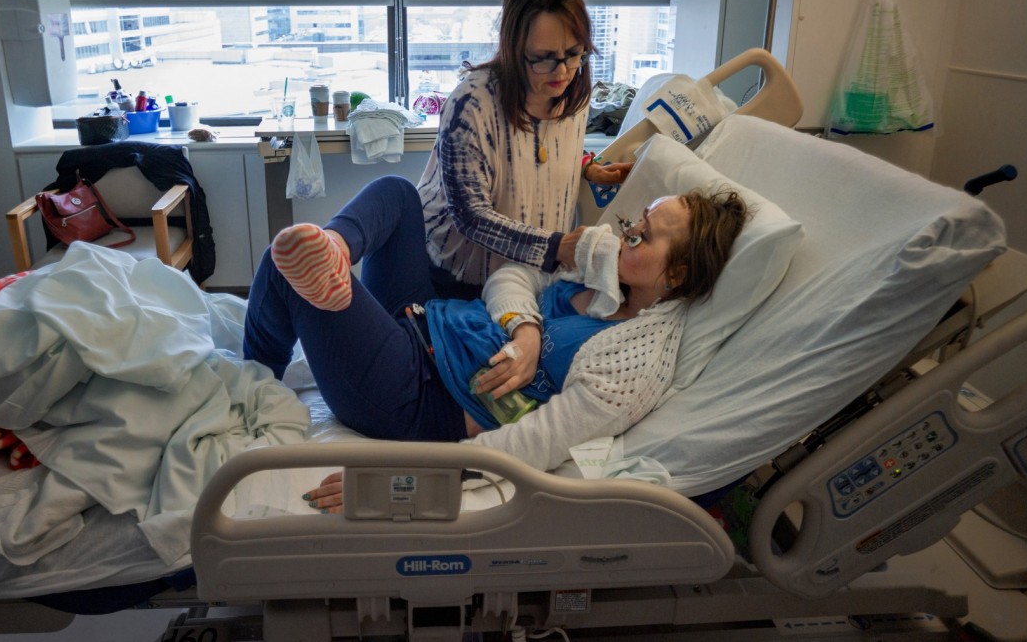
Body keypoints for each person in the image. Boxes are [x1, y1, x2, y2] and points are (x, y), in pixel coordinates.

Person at [241, 176, 748, 511]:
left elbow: (532, 444)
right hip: (424, 323)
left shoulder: (633, 363)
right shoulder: (607, 275)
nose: (628, 234)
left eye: (644, 237)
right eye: (634, 223)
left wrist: (404, 486)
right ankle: (336, 247)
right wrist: (525, 331)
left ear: (677, 274)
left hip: (418, 397)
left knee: (283, 268)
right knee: (397, 194)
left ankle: (251, 383)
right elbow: (511, 277)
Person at [417, 0, 633, 301]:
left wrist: (586, 165)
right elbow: (471, 216)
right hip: (461, 276)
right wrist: (557, 246)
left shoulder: (575, 94)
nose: (562, 71)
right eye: (544, 58)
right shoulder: (470, 104)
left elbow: (539, 148)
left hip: (532, 276)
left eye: (574, 53)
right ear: (515, 50)